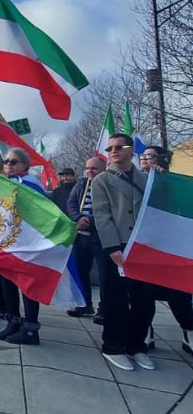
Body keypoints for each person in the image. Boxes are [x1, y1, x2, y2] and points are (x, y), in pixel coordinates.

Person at [92, 133, 156, 371]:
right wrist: (112, 247)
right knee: (116, 300)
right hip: (118, 247)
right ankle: (113, 345)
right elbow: (102, 215)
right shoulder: (102, 180)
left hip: (143, 248)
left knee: (144, 302)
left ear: (131, 149)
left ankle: (136, 345)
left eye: (119, 146)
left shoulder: (147, 178)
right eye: (110, 148)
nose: (114, 151)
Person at [140, 145, 192, 355]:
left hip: (169, 245)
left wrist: (164, 183)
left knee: (177, 293)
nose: (144, 158)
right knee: (142, 293)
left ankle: (189, 332)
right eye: (142, 155)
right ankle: (145, 331)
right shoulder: (135, 180)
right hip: (144, 245)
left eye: (150, 155)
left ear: (162, 159)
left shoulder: (174, 183)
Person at [0, 148, 45, 345]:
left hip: (27, 243)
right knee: (8, 282)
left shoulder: (32, 185)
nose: (8, 164)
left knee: (27, 286)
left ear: (25, 165)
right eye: (6, 161)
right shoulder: (3, 184)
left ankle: (31, 328)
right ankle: (13, 321)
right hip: (8, 241)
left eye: (13, 162)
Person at [65, 157, 107, 320]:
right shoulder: (82, 183)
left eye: (94, 168)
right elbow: (71, 202)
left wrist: (89, 220)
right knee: (81, 272)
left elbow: (109, 207)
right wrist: (77, 218)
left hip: (101, 236)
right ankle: (84, 305)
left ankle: (104, 309)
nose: (90, 171)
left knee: (105, 275)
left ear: (103, 169)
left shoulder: (108, 183)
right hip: (81, 236)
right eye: (88, 168)